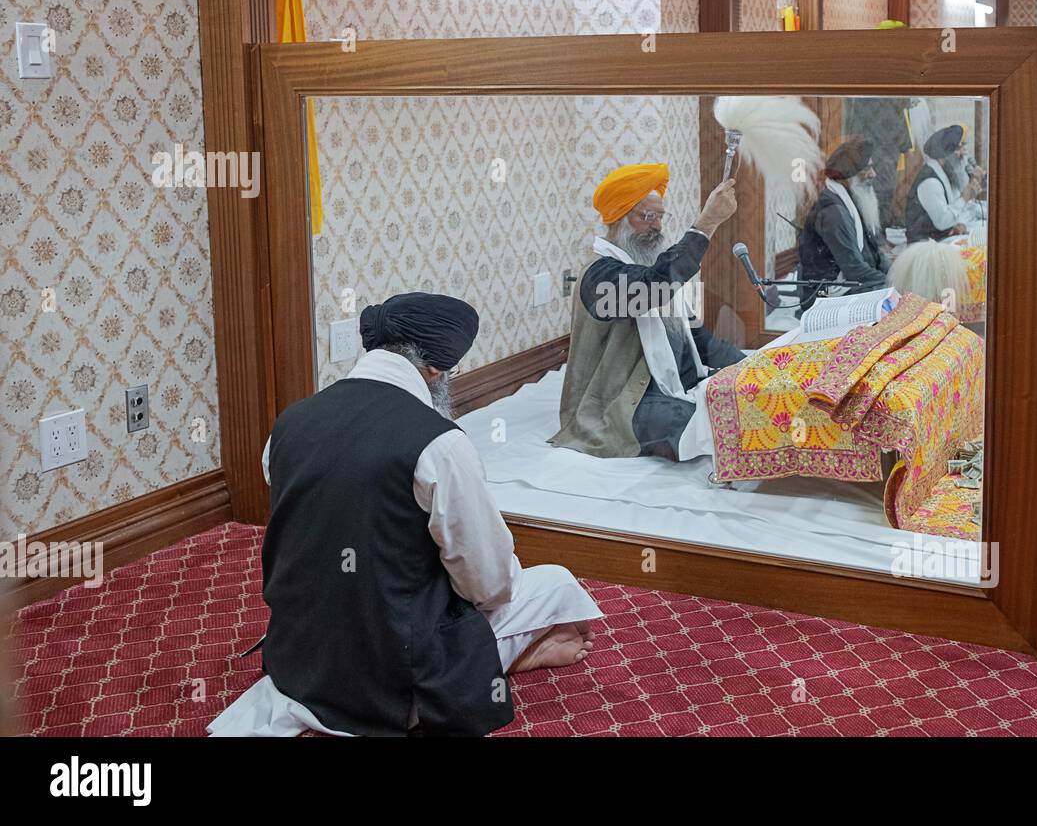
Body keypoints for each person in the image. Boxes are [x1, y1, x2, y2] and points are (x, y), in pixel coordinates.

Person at [209, 293, 602, 737]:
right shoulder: (441, 443)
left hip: (297, 655)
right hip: (395, 676)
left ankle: (496, 654)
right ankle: (498, 659)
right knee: (554, 583)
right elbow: (490, 585)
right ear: (435, 368)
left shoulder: (288, 423)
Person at [549, 163, 745, 462]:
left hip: (674, 385)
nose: (656, 226)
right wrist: (706, 223)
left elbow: (698, 338)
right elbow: (657, 284)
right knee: (706, 422)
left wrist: (753, 367)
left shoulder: (648, 266)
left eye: (659, 217)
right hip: (623, 401)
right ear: (617, 220)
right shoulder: (600, 276)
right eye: (647, 216)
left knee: (743, 399)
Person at [796, 137, 892, 313]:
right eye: (867, 168)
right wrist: (893, 282)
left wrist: (895, 272)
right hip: (828, 302)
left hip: (853, 287)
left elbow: (873, 252)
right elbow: (854, 270)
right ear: (849, 174)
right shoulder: (834, 212)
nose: (874, 174)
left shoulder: (848, 199)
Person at [904, 124, 987, 242]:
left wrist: (960, 224)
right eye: (958, 149)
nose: (963, 154)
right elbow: (942, 222)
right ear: (945, 154)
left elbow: (956, 209)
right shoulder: (930, 181)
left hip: (941, 238)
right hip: (925, 245)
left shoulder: (946, 172)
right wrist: (965, 197)